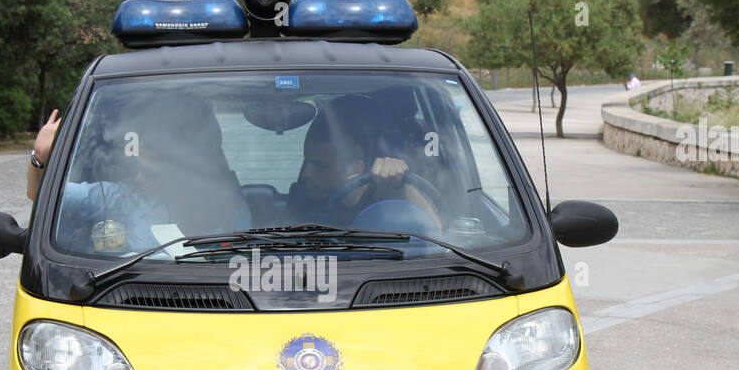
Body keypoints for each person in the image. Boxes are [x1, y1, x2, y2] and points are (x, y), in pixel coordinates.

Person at [27, 95, 250, 253]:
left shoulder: (228, 211)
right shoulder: (124, 197)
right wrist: (39, 159)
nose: (138, 177)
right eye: (136, 167)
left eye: (151, 172)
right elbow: (39, 196)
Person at [288, 95, 441, 229]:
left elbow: (435, 235)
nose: (306, 173)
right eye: (306, 161)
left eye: (320, 165)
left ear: (355, 168)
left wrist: (403, 184)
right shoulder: (302, 198)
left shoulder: (391, 201)